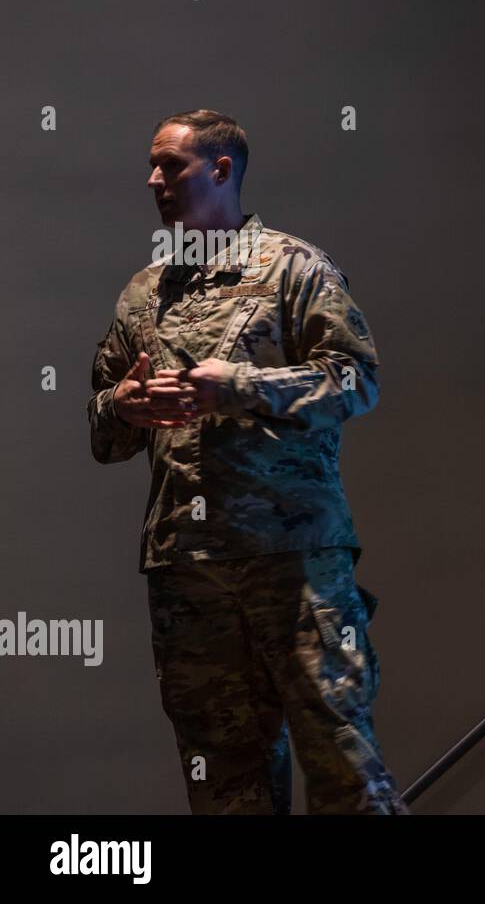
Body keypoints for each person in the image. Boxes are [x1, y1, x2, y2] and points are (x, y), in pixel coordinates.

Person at [87, 109, 407, 814]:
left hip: (294, 561)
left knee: (345, 768)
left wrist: (237, 386)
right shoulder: (144, 294)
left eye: (170, 165)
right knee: (225, 785)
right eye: (152, 166)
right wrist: (126, 407)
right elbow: (103, 429)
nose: (153, 180)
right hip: (189, 569)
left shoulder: (294, 268)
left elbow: (357, 380)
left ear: (221, 169)